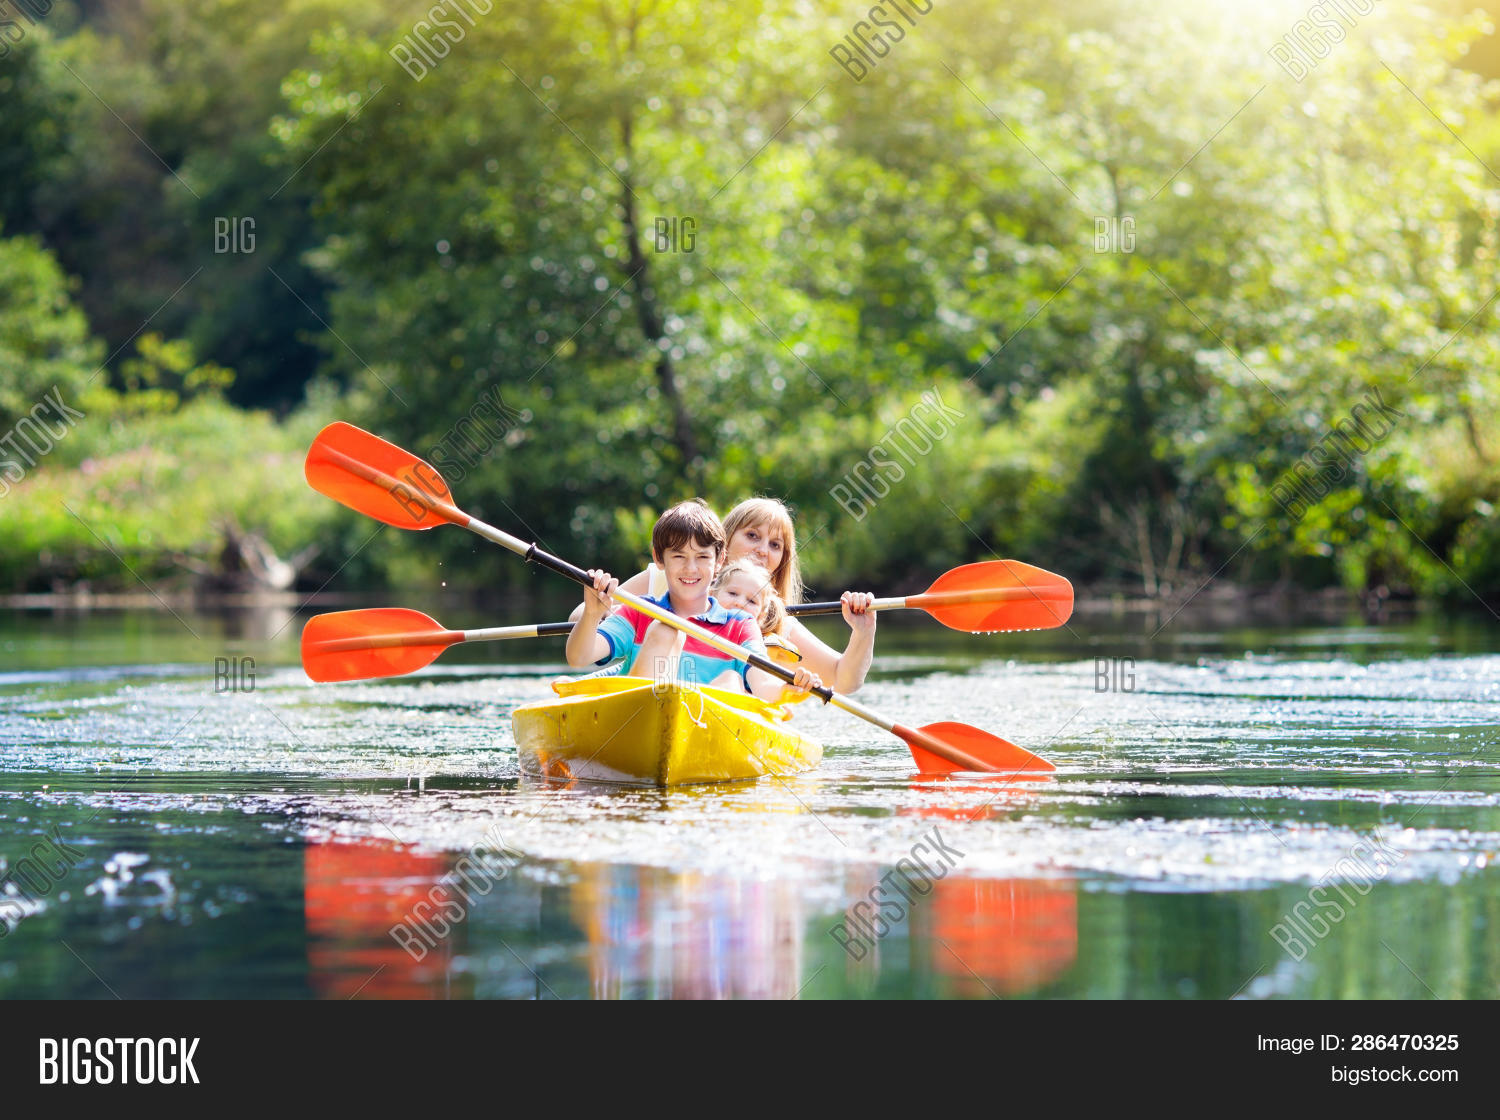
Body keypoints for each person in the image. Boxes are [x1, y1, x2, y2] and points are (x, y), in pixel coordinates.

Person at [576, 497, 876, 693]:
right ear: (724, 542)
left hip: (722, 714)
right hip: (647, 693)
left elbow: (844, 679)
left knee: (732, 679)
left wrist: (863, 633)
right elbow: (578, 618)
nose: (762, 550)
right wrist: (607, 612)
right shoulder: (660, 581)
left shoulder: (774, 621)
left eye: (775, 545)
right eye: (753, 535)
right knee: (661, 632)